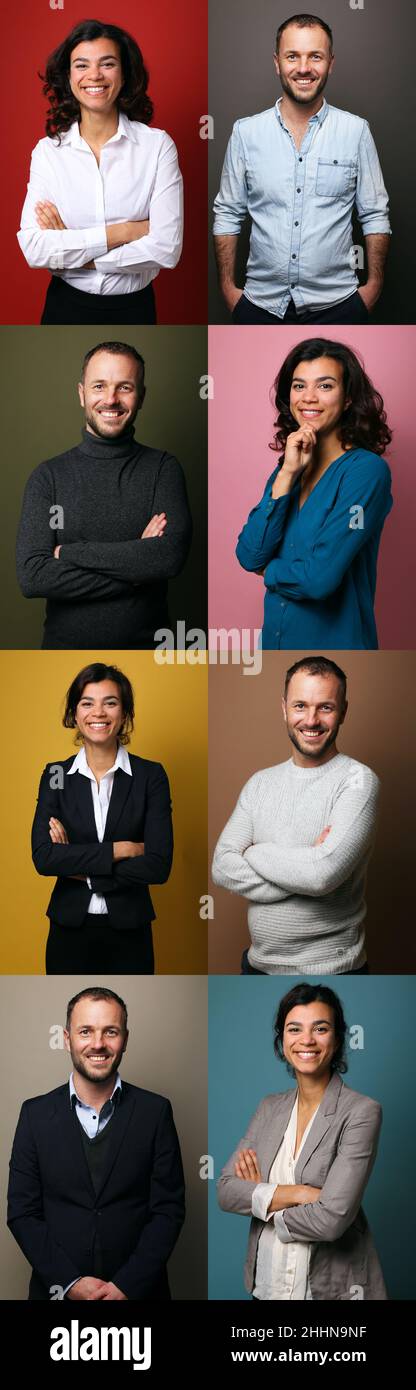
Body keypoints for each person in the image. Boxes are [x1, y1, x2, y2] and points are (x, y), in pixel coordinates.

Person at [8, 987, 185, 1300]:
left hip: (141, 1294)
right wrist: (70, 1282)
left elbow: (168, 1211)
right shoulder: (34, 1115)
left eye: (110, 1031)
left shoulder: (155, 1112)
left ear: (125, 1039)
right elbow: (22, 1213)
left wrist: (126, 1286)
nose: (98, 1044)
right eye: (86, 1031)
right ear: (67, 1039)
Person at [213, 13, 390, 325]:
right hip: (259, 306)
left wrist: (372, 287)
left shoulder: (356, 131)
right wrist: (228, 288)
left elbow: (375, 213)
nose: (304, 68)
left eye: (315, 56)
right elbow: (227, 213)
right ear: (277, 62)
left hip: (340, 306)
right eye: (292, 56)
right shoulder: (245, 133)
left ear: (330, 63)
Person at [16, 340, 192, 650]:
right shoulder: (48, 476)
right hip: (64, 655)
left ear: (141, 396)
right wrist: (137, 571)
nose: (111, 400)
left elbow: (168, 559)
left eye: (124, 387)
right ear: (82, 393)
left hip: (148, 655)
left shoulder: (163, 469)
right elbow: (34, 577)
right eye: (99, 386)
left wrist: (70, 553)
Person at [217, 983, 387, 1300]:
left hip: (328, 1291)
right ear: (282, 1041)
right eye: (294, 1029)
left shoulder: (361, 1112)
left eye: (320, 1028)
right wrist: (301, 1193)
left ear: (337, 1039)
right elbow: (226, 1191)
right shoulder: (269, 1107)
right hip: (264, 1286)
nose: (306, 1040)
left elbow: (332, 1220)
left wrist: (261, 1199)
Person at [212, 656, 379, 976]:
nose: (311, 719)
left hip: (333, 970)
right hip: (257, 966)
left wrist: (255, 852)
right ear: (284, 709)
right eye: (300, 705)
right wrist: (306, 861)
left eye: (325, 707)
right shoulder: (259, 783)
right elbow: (222, 866)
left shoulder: (359, 781)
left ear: (343, 711)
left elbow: (321, 875)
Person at [17, 20, 183, 324]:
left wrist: (74, 252)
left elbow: (166, 249)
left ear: (125, 74)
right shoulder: (48, 152)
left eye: (107, 64)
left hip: (136, 309)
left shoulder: (157, 147)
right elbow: (35, 249)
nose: (94, 75)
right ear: (68, 77)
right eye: (82, 65)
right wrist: (125, 232)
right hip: (64, 307)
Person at [235, 338, 393, 650]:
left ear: (347, 398)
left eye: (325, 386)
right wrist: (289, 474)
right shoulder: (289, 467)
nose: (308, 398)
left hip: (338, 647)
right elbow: (249, 554)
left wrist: (270, 570)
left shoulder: (366, 472)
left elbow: (319, 579)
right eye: (298, 386)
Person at [31, 662, 173, 974]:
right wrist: (121, 850)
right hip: (68, 929)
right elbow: (44, 858)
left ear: (124, 713)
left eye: (110, 702)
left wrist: (79, 864)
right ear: (74, 713)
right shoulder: (56, 774)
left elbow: (159, 864)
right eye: (87, 703)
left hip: (130, 931)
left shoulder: (150, 776)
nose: (98, 713)